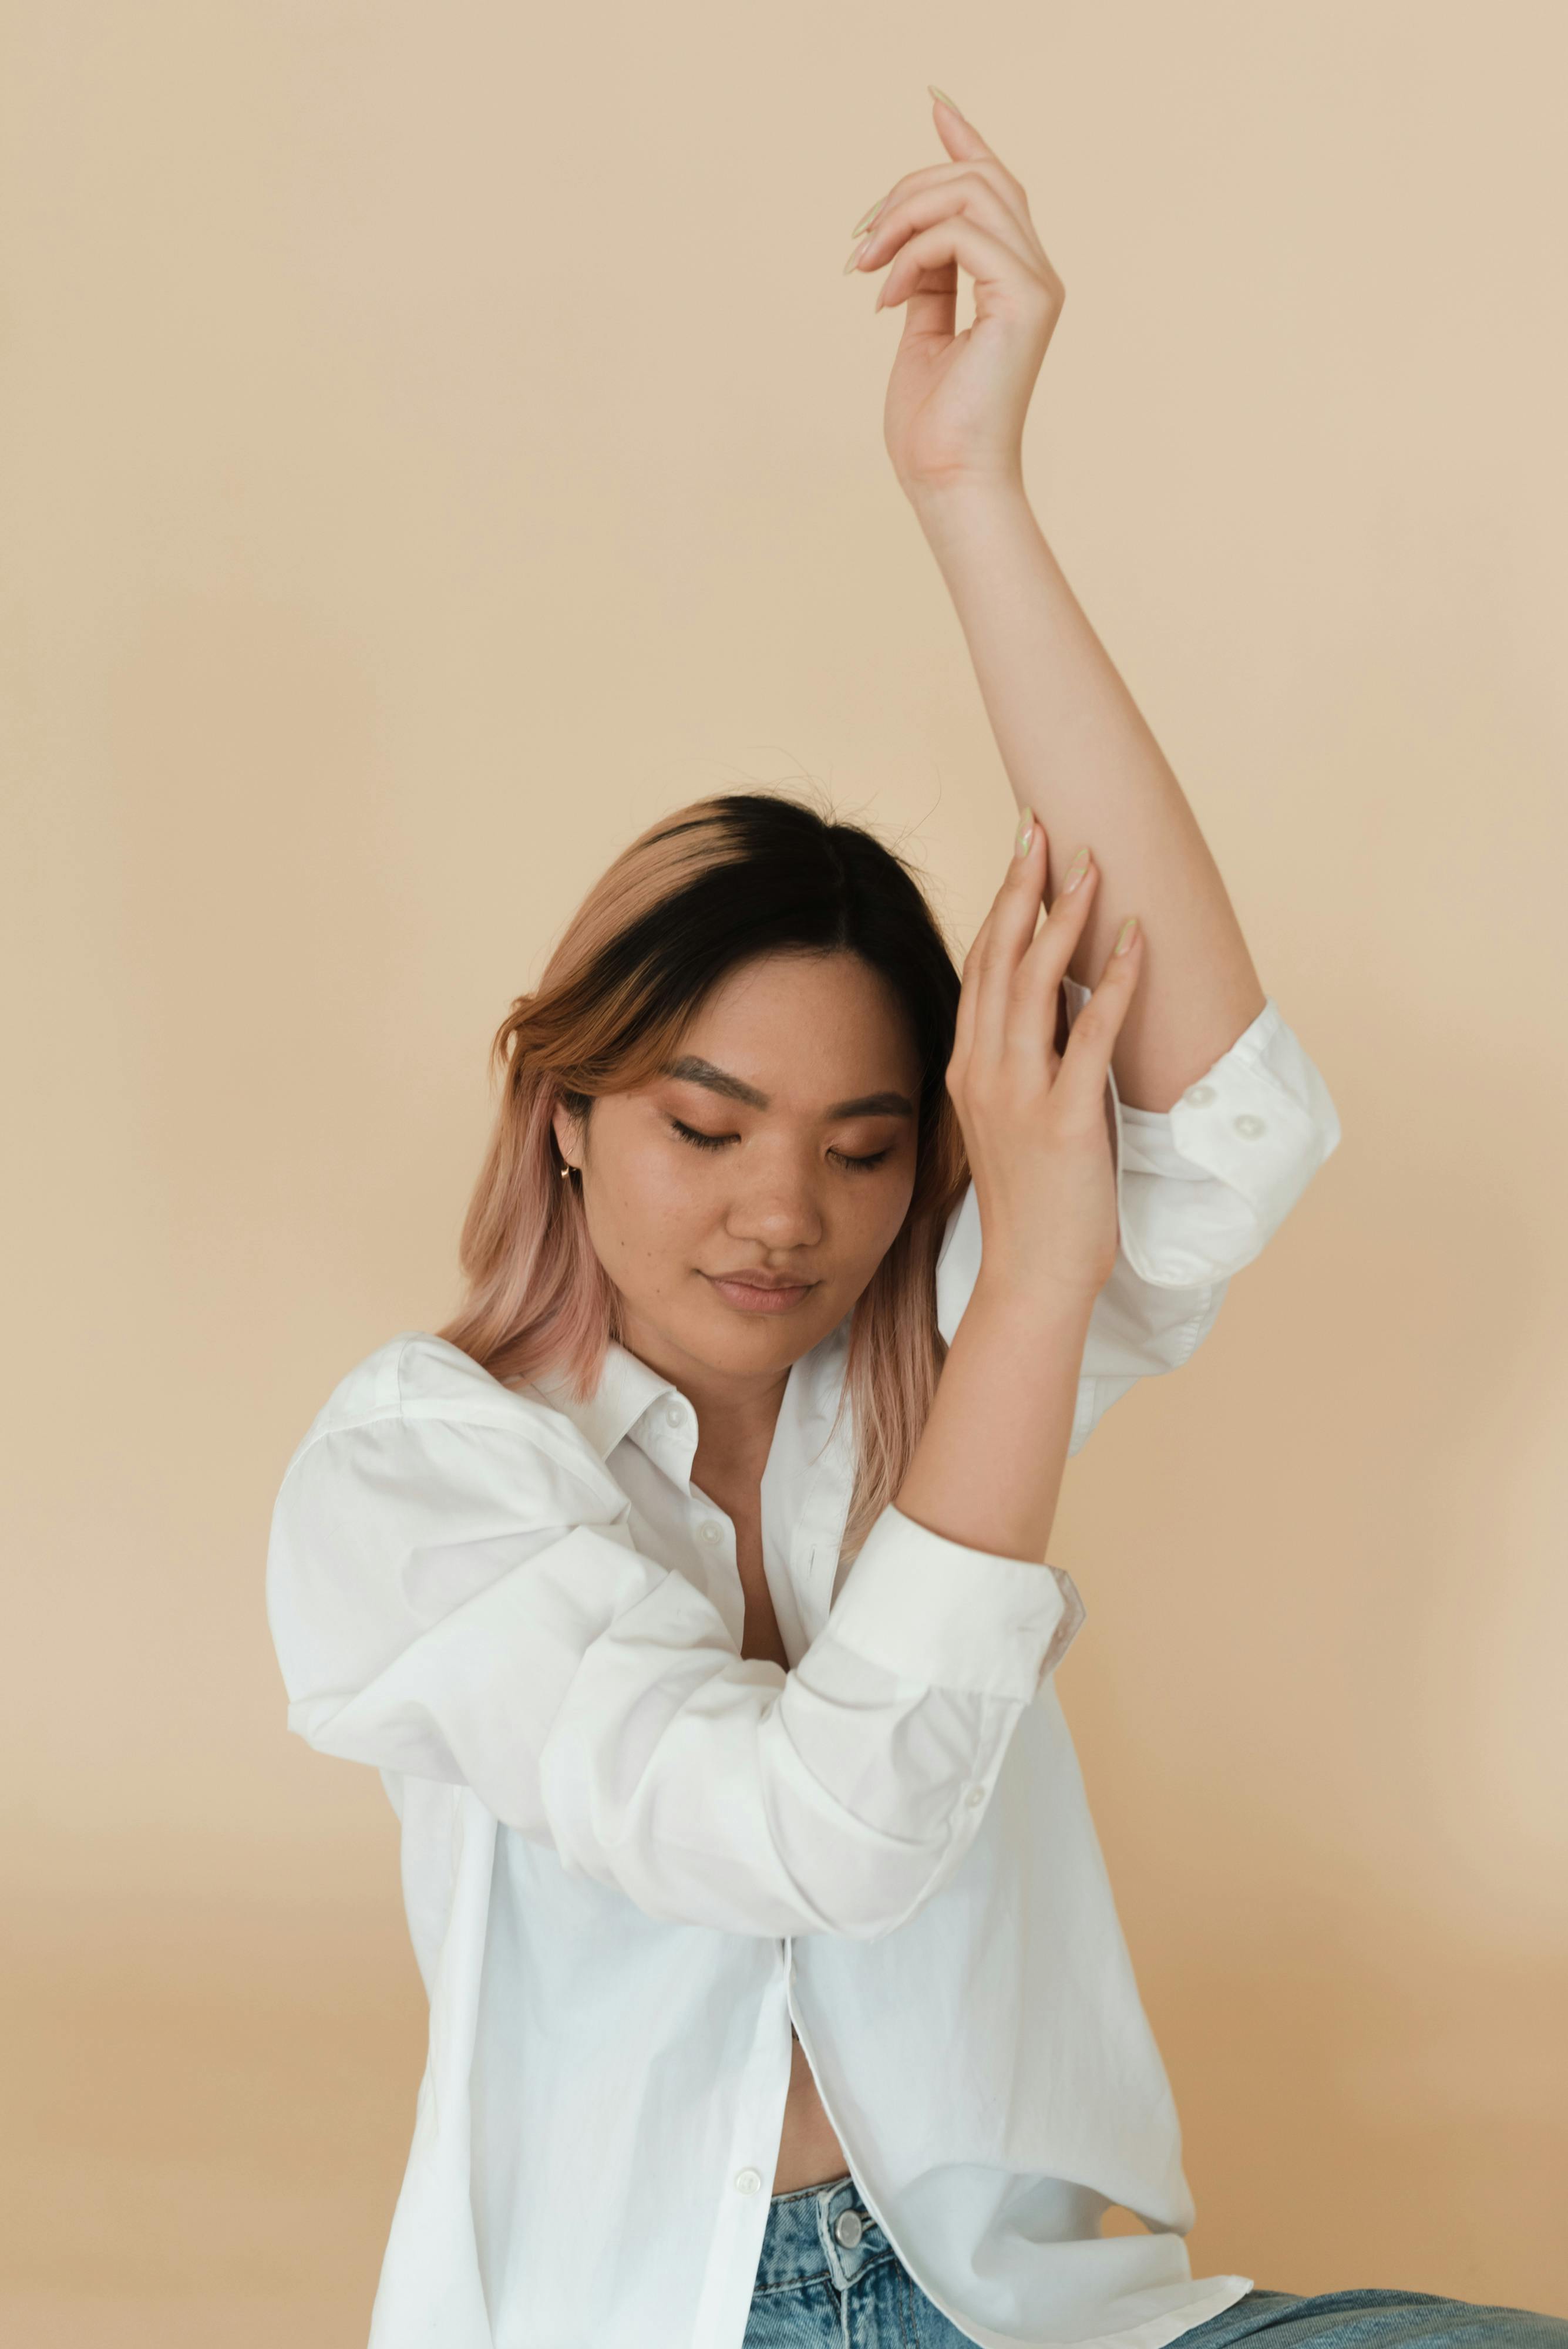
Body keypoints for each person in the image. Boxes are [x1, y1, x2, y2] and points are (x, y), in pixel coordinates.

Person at [263, 87, 1561, 2349]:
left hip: (1040, 2307)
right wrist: (1041, 1268)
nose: (789, 1213)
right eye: (707, 1123)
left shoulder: (927, 1359)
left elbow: (1233, 1120)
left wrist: (972, 491)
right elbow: (810, 1832)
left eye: (872, 1147)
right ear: (565, 1112)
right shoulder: (417, 1476)